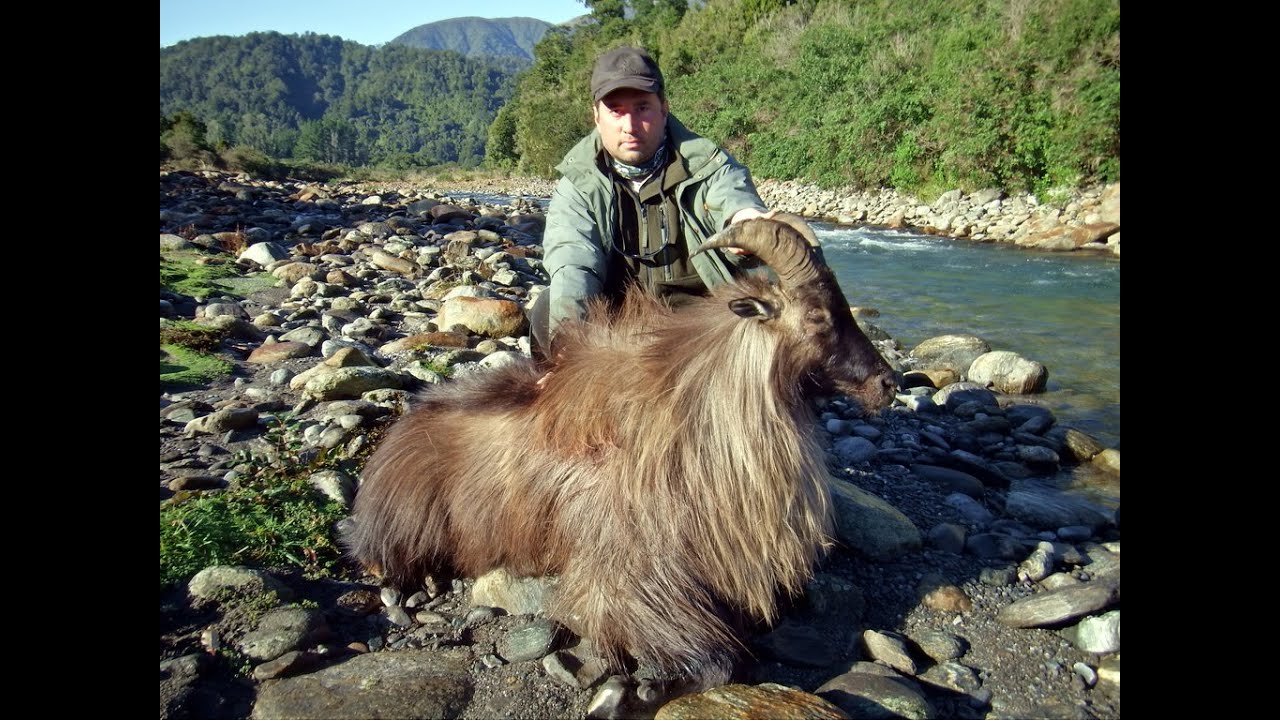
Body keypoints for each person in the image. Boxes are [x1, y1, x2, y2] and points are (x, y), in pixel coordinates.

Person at [529, 45, 816, 355]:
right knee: (549, 308)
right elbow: (574, 266)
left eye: (642, 108)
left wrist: (745, 222)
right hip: (615, 328)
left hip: (698, 325)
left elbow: (731, 196)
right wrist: (569, 359)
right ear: (597, 116)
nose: (629, 125)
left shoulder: (707, 163)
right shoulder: (577, 186)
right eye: (616, 110)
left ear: (664, 108)